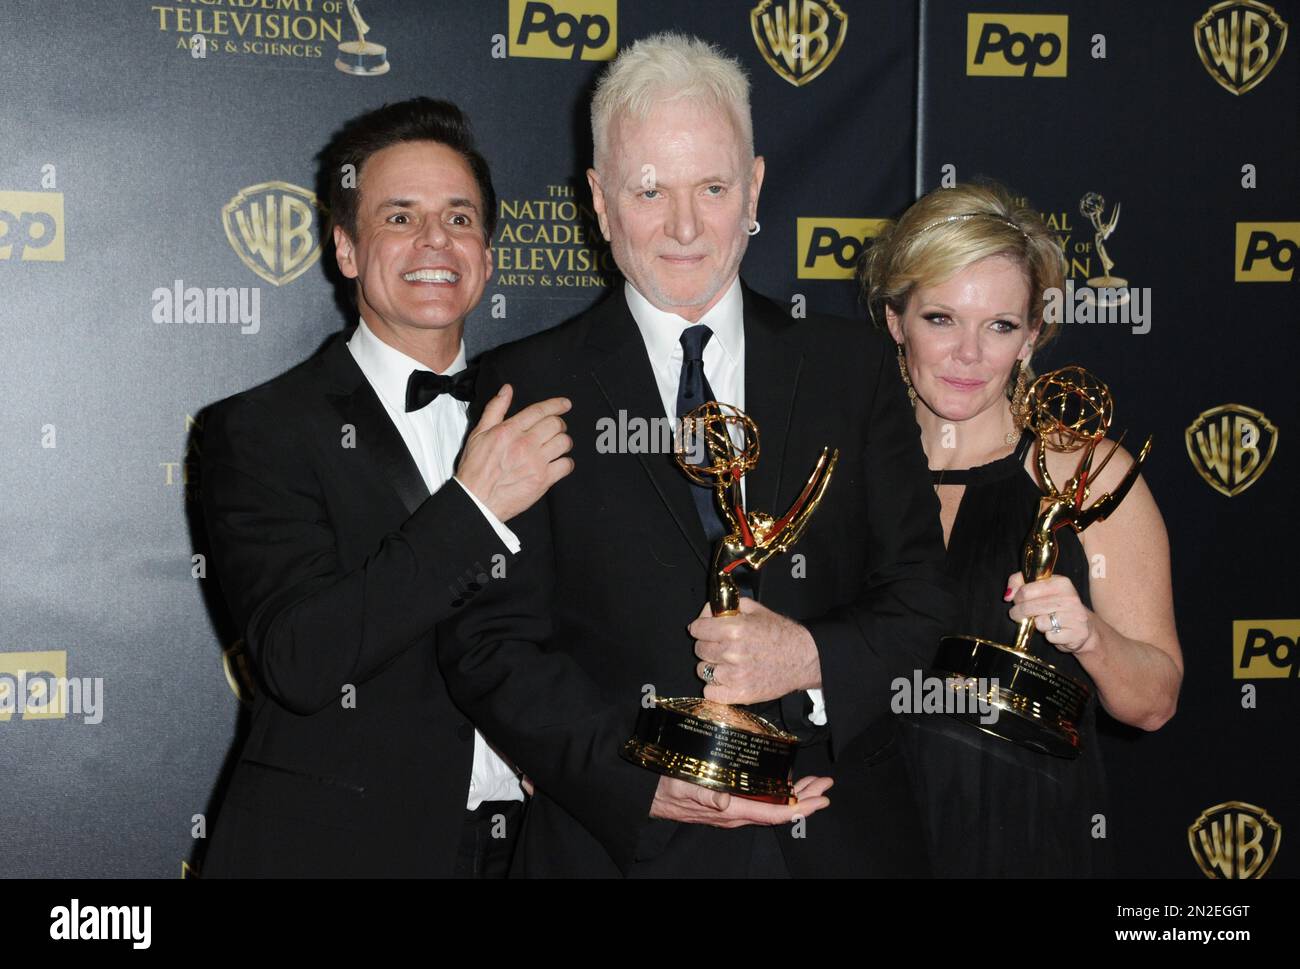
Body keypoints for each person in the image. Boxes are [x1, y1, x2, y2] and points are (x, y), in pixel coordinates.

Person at [438, 33, 958, 877]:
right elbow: (489, 644)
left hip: (835, 843)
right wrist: (638, 770)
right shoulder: (524, 384)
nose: (684, 227)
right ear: (600, 203)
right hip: (619, 850)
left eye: (712, 187)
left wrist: (812, 655)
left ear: (753, 188)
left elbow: (924, 600)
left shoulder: (852, 371)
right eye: (649, 190)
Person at [199, 98, 573, 877]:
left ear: (489, 252)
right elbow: (300, 659)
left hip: (536, 849)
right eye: (399, 218)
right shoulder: (259, 430)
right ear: (344, 246)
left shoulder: (544, 415)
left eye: (460, 218)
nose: (436, 241)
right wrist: (471, 510)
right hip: (340, 850)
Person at [859, 181, 1183, 876]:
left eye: (1000, 325)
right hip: (865, 834)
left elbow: (1154, 701)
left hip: (1028, 841)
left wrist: (1090, 634)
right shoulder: (849, 472)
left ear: (1033, 333)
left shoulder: (1084, 473)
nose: (969, 355)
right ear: (896, 320)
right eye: (941, 318)